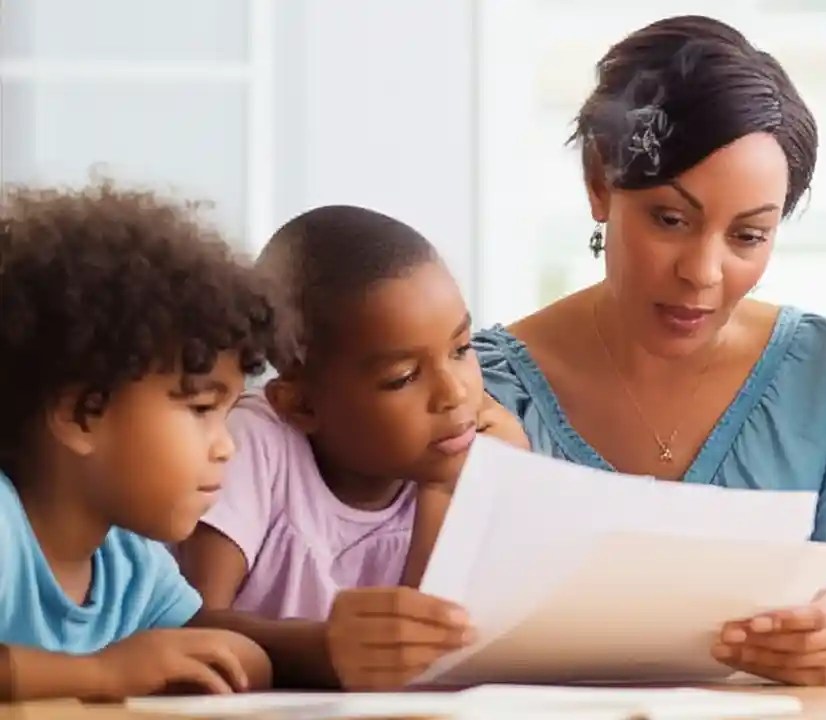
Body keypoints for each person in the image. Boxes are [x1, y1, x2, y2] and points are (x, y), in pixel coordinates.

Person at [474, 15, 826, 685]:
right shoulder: (477, 386)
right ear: (600, 182)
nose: (703, 273)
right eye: (671, 220)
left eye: (747, 237)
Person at [177, 205, 528, 690]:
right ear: (300, 406)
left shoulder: (465, 459)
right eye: (403, 377)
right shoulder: (252, 446)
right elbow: (187, 625)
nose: (455, 392)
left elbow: (427, 662)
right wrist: (324, 648)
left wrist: (449, 497)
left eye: (461, 349)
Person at [0, 182, 275, 701]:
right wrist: (99, 675)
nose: (226, 447)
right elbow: (123, 669)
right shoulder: (5, 527)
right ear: (81, 415)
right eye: (200, 409)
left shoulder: (130, 561)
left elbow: (214, 647)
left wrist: (230, 660)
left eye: (229, 413)